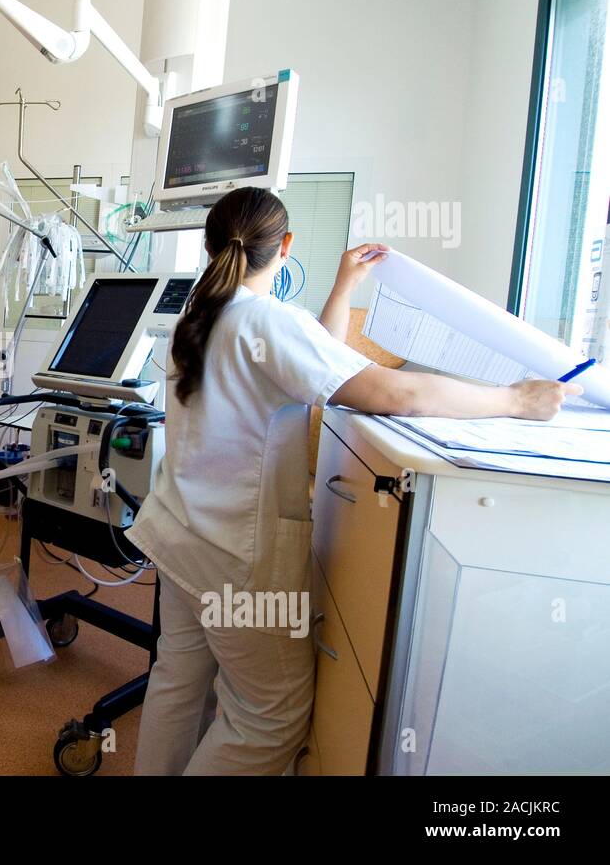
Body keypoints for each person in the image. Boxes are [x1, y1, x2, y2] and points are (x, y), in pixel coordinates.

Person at [125, 186, 580, 776]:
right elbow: (395, 392)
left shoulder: (202, 315)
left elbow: (319, 364)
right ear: (285, 247)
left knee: (178, 682)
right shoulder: (263, 320)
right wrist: (516, 400)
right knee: (269, 718)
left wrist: (344, 290)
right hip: (234, 555)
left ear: (210, 246)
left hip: (180, 534)